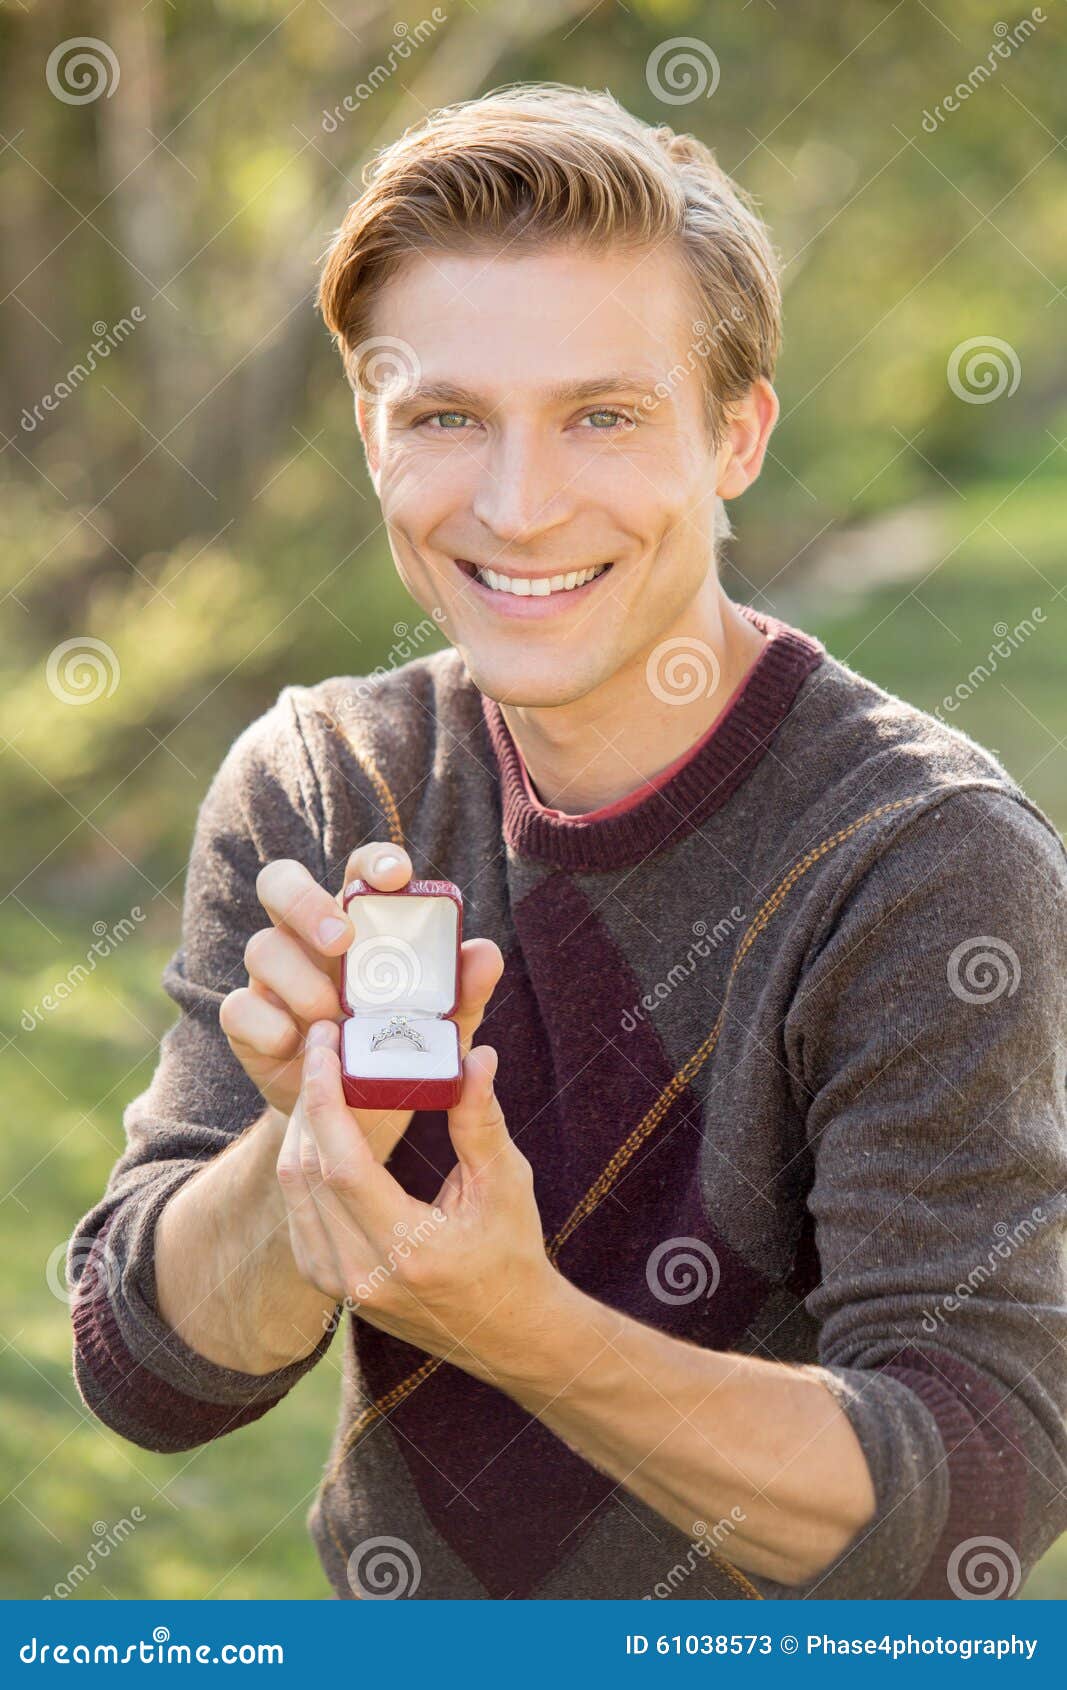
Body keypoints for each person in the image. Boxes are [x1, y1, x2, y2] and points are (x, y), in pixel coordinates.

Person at [69, 84, 1067, 1602]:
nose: (520, 506)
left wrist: (519, 1324)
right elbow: (151, 1375)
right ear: (372, 433)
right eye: (448, 417)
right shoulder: (330, 785)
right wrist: (300, 1151)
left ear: (736, 434)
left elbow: (969, 1492)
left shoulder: (923, 860)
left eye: (603, 415)